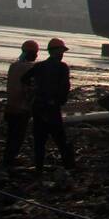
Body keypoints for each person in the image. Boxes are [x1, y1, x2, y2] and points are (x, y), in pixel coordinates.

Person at [23, 38, 75, 171]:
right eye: (61, 50)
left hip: (39, 106)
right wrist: (60, 100)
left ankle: (38, 168)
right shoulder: (62, 67)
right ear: (55, 51)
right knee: (60, 139)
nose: (62, 53)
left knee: (39, 140)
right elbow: (65, 87)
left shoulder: (39, 66)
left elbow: (24, 79)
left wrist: (35, 90)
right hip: (52, 107)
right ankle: (68, 167)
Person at [3, 40, 39, 168]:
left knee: (10, 135)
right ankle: (9, 161)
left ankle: (7, 159)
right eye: (35, 53)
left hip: (10, 106)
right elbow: (30, 88)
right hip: (22, 107)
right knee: (18, 137)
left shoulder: (13, 66)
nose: (36, 56)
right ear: (32, 53)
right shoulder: (30, 67)